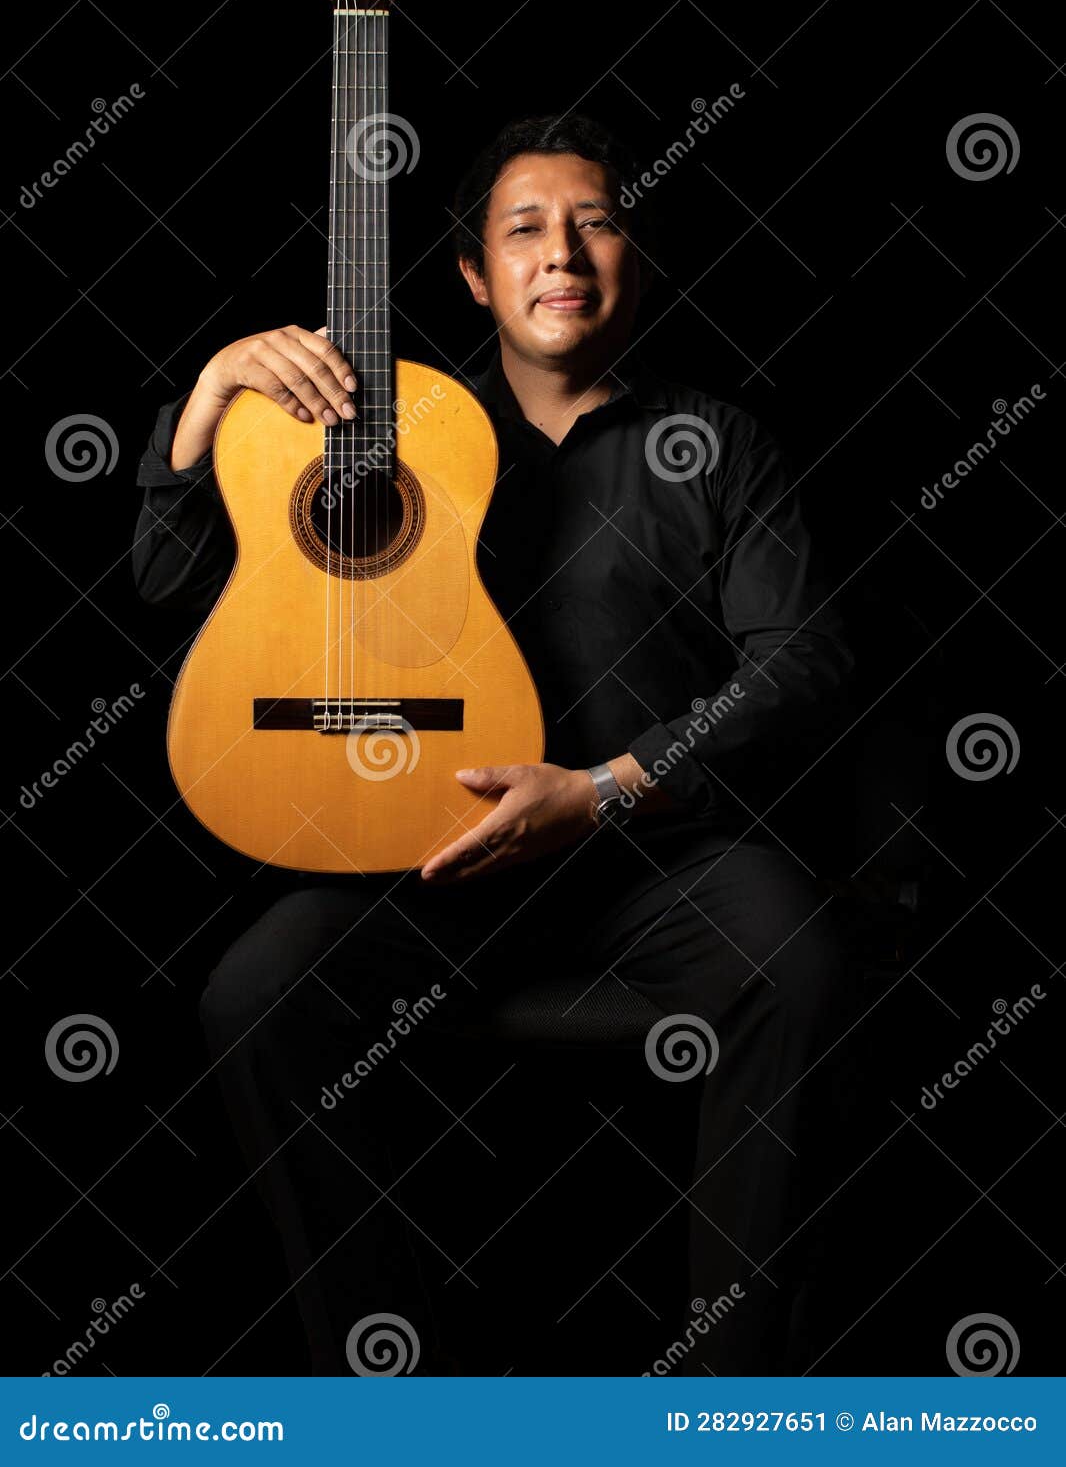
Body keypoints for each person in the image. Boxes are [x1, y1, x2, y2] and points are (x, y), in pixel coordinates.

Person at [133, 113, 862, 1375]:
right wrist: (207, 400)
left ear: (635, 257)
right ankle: (391, 1381)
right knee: (252, 999)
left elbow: (804, 662)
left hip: (653, 846)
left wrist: (605, 789)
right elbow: (166, 577)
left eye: (594, 222)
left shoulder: (720, 442)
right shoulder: (396, 436)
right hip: (434, 854)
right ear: (476, 277)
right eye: (523, 230)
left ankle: (738, 1397)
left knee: (798, 965)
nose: (560, 253)